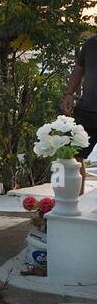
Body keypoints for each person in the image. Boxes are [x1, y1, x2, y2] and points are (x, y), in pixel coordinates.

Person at [61, 34, 97, 192]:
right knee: (74, 156)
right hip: (86, 111)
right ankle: (75, 201)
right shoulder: (90, 44)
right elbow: (78, 70)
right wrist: (69, 94)